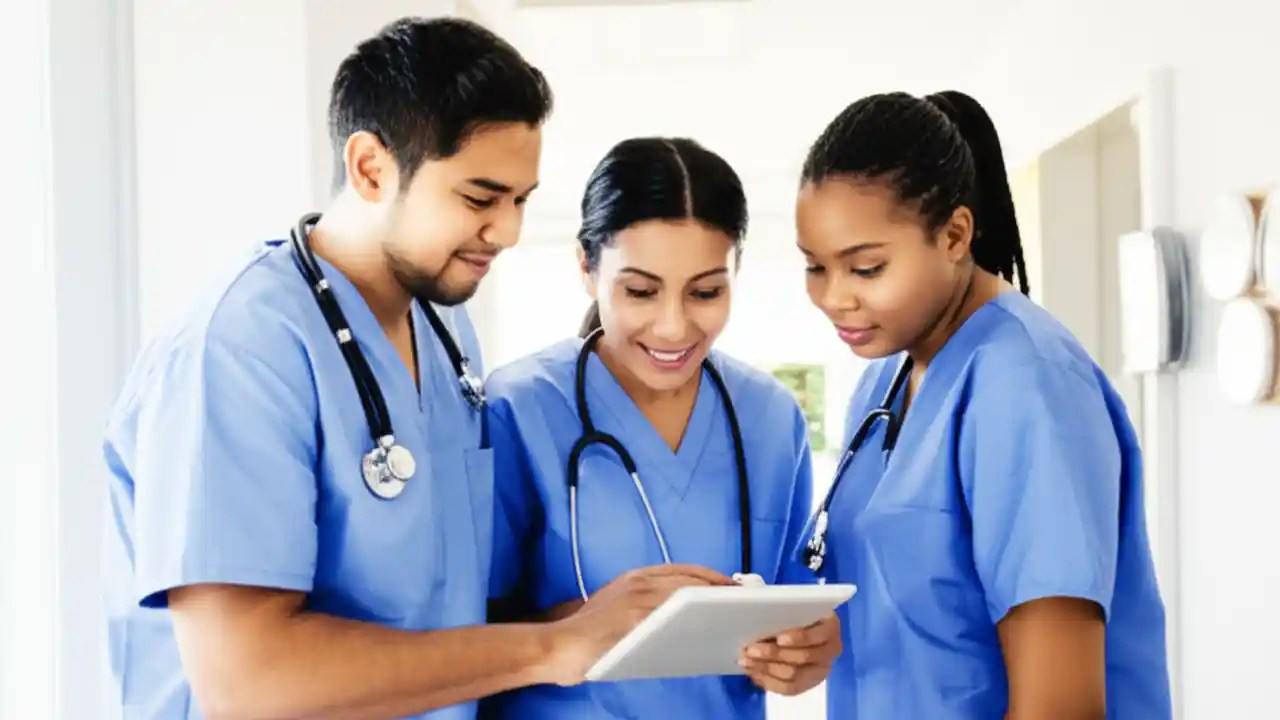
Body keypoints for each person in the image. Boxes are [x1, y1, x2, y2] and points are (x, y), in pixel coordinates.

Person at [101, 18, 728, 720]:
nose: (510, 231)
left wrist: (593, 625)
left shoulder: (443, 329)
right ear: (372, 167)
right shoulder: (241, 352)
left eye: (520, 200)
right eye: (479, 198)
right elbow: (248, 682)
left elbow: (435, 606)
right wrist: (549, 649)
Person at [788, 90, 1172, 718]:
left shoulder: (1026, 381)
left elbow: (1062, 702)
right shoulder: (886, 372)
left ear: (955, 235)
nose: (834, 299)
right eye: (815, 268)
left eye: (865, 269)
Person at [480, 137, 841, 719]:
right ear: (587, 268)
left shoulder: (771, 419)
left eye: (705, 292)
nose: (674, 327)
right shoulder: (518, 408)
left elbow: (789, 613)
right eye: (640, 291)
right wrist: (585, 623)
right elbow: (468, 628)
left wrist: (806, 654)